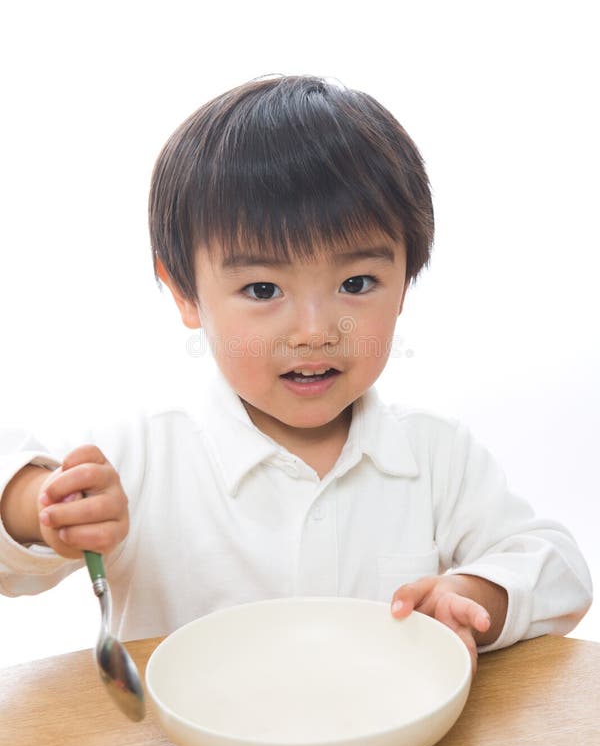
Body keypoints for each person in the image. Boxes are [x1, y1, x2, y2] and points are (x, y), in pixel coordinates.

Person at [0, 75, 592, 674]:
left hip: (386, 745)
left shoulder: (436, 455)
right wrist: (37, 506)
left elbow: (558, 566)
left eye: (356, 284)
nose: (315, 331)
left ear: (406, 280)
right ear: (184, 292)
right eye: (263, 289)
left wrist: (472, 593)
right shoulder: (141, 453)